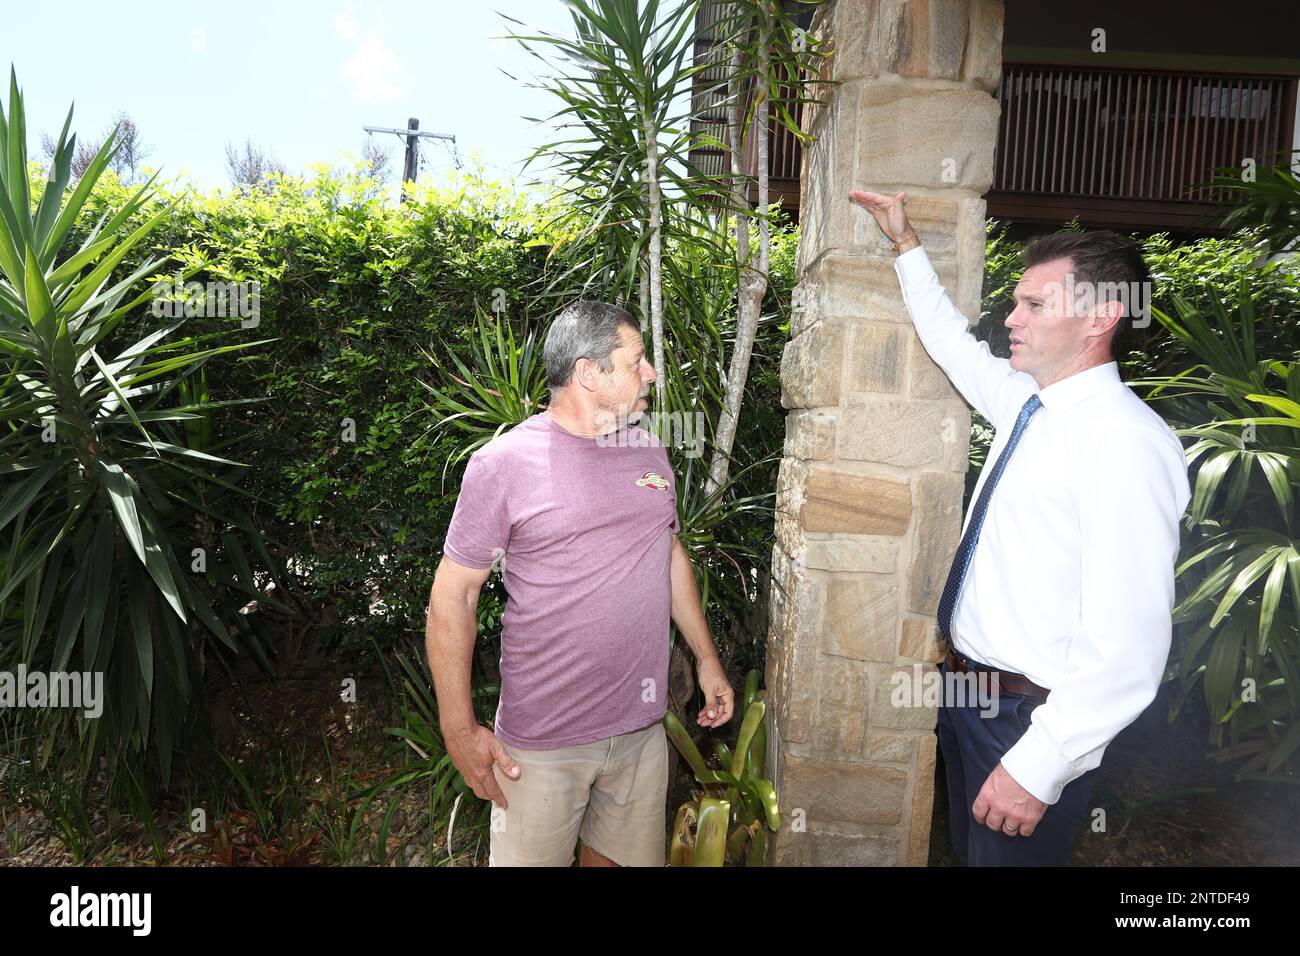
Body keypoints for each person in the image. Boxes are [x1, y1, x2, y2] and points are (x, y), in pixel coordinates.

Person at [849, 190, 1191, 866]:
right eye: (1017, 302)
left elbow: (1129, 645)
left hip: (1028, 725)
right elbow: (951, 342)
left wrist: (1040, 765)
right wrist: (906, 245)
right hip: (970, 696)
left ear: (1102, 317)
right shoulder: (1028, 404)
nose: (1012, 319)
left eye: (1034, 305)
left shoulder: (1125, 443)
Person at [425, 299, 734, 867]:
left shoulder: (647, 448)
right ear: (589, 373)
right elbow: (454, 595)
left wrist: (707, 658)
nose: (651, 374)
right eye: (637, 360)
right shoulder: (504, 464)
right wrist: (458, 728)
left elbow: (667, 552)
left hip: (641, 729)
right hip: (543, 744)